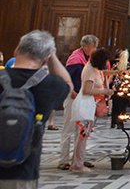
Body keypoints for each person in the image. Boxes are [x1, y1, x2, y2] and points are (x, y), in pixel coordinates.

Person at [0, 31, 71, 187]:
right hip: (23, 173)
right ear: (46, 59)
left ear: (16, 50)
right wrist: (53, 57)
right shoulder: (50, 85)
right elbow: (68, 84)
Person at [57, 33, 98, 170]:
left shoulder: (88, 59)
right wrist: (71, 91)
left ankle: (78, 158)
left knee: (81, 129)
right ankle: (63, 160)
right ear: (86, 46)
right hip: (72, 96)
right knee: (68, 127)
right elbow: (66, 77)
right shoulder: (75, 58)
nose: (95, 49)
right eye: (93, 46)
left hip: (83, 97)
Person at [68, 48, 112, 172]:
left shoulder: (93, 68)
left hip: (90, 105)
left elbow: (105, 72)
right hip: (85, 105)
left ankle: (77, 162)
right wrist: (105, 91)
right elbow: (87, 90)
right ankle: (77, 165)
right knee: (82, 136)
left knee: (83, 136)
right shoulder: (90, 71)